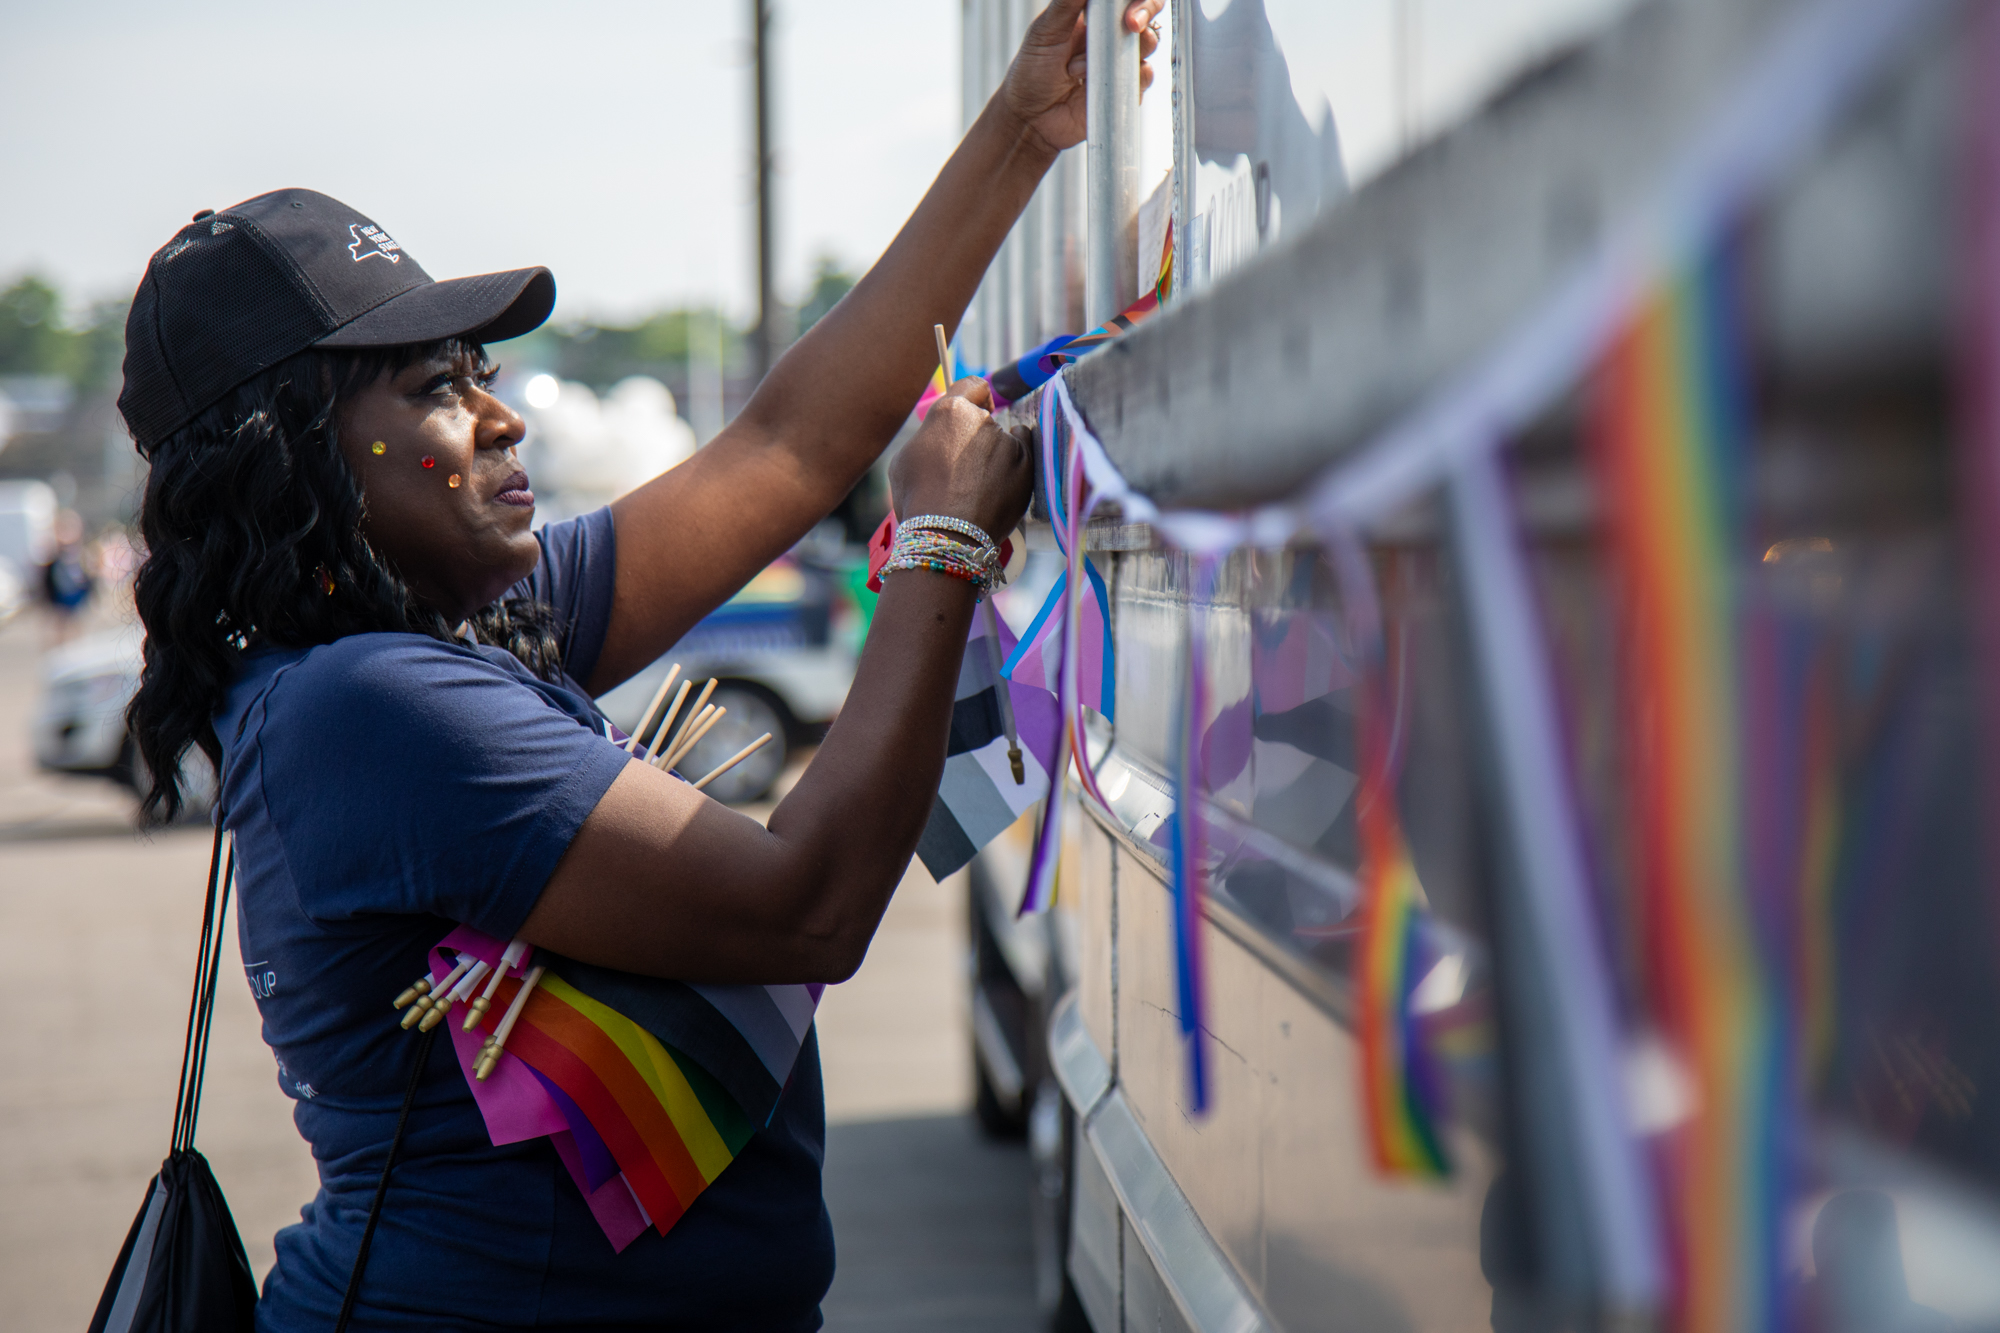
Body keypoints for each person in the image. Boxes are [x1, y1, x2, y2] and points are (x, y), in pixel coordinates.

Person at [118, 1, 1163, 1328]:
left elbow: (785, 445)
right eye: (435, 384)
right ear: (297, 454)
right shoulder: (369, 706)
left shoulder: (451, 628)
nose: (501, 413)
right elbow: (806, 905)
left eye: (478, 365)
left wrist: (1025, 126)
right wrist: (940, 546)